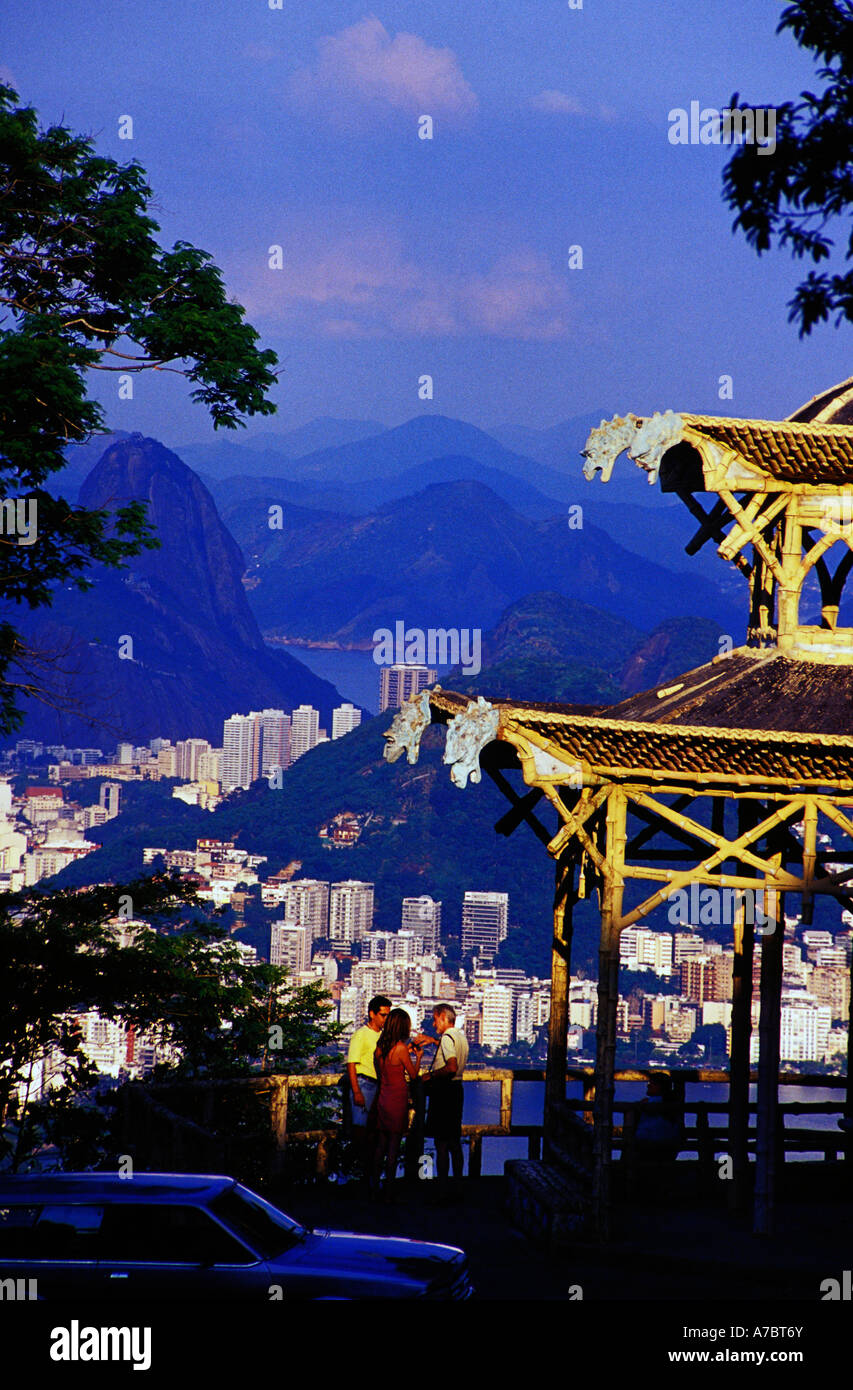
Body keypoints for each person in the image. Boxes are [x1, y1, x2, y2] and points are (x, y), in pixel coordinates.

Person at [372, 1009, 424, 1199]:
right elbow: (412, 1074)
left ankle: (374, 1183)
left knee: (381, 1144)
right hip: (397, 1098)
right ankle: (390, 1187)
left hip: (383, 1096)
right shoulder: (401, 1048)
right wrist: (418, 1058)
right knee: (394, 1145)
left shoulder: (379, 1048)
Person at [422, 1003, 469, 1201]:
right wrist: (434, 1041)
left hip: (444, 1092)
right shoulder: (460, 1037)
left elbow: (451, 1066)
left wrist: (430, 1076)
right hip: (457, 1091)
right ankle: (458, 1185)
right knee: (454, 1142)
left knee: (441, 1143)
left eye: (435, 1019)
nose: (434, 1024)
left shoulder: (447, 1038)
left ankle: (441, 1188)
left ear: (442, 1017)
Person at [345, 995, 391, 1180]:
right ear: (372, 1014)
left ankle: (367, 1175)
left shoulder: (384, 1036)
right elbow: (351, 1064)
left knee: (373, 1134)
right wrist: (356, 1091)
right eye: (382, 1015)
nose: (385, 1019)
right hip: (364, 1085)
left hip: (378, 1087)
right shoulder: (361, 1035)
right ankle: (354, 1173)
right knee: (360, 1133)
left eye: (387, 1015)